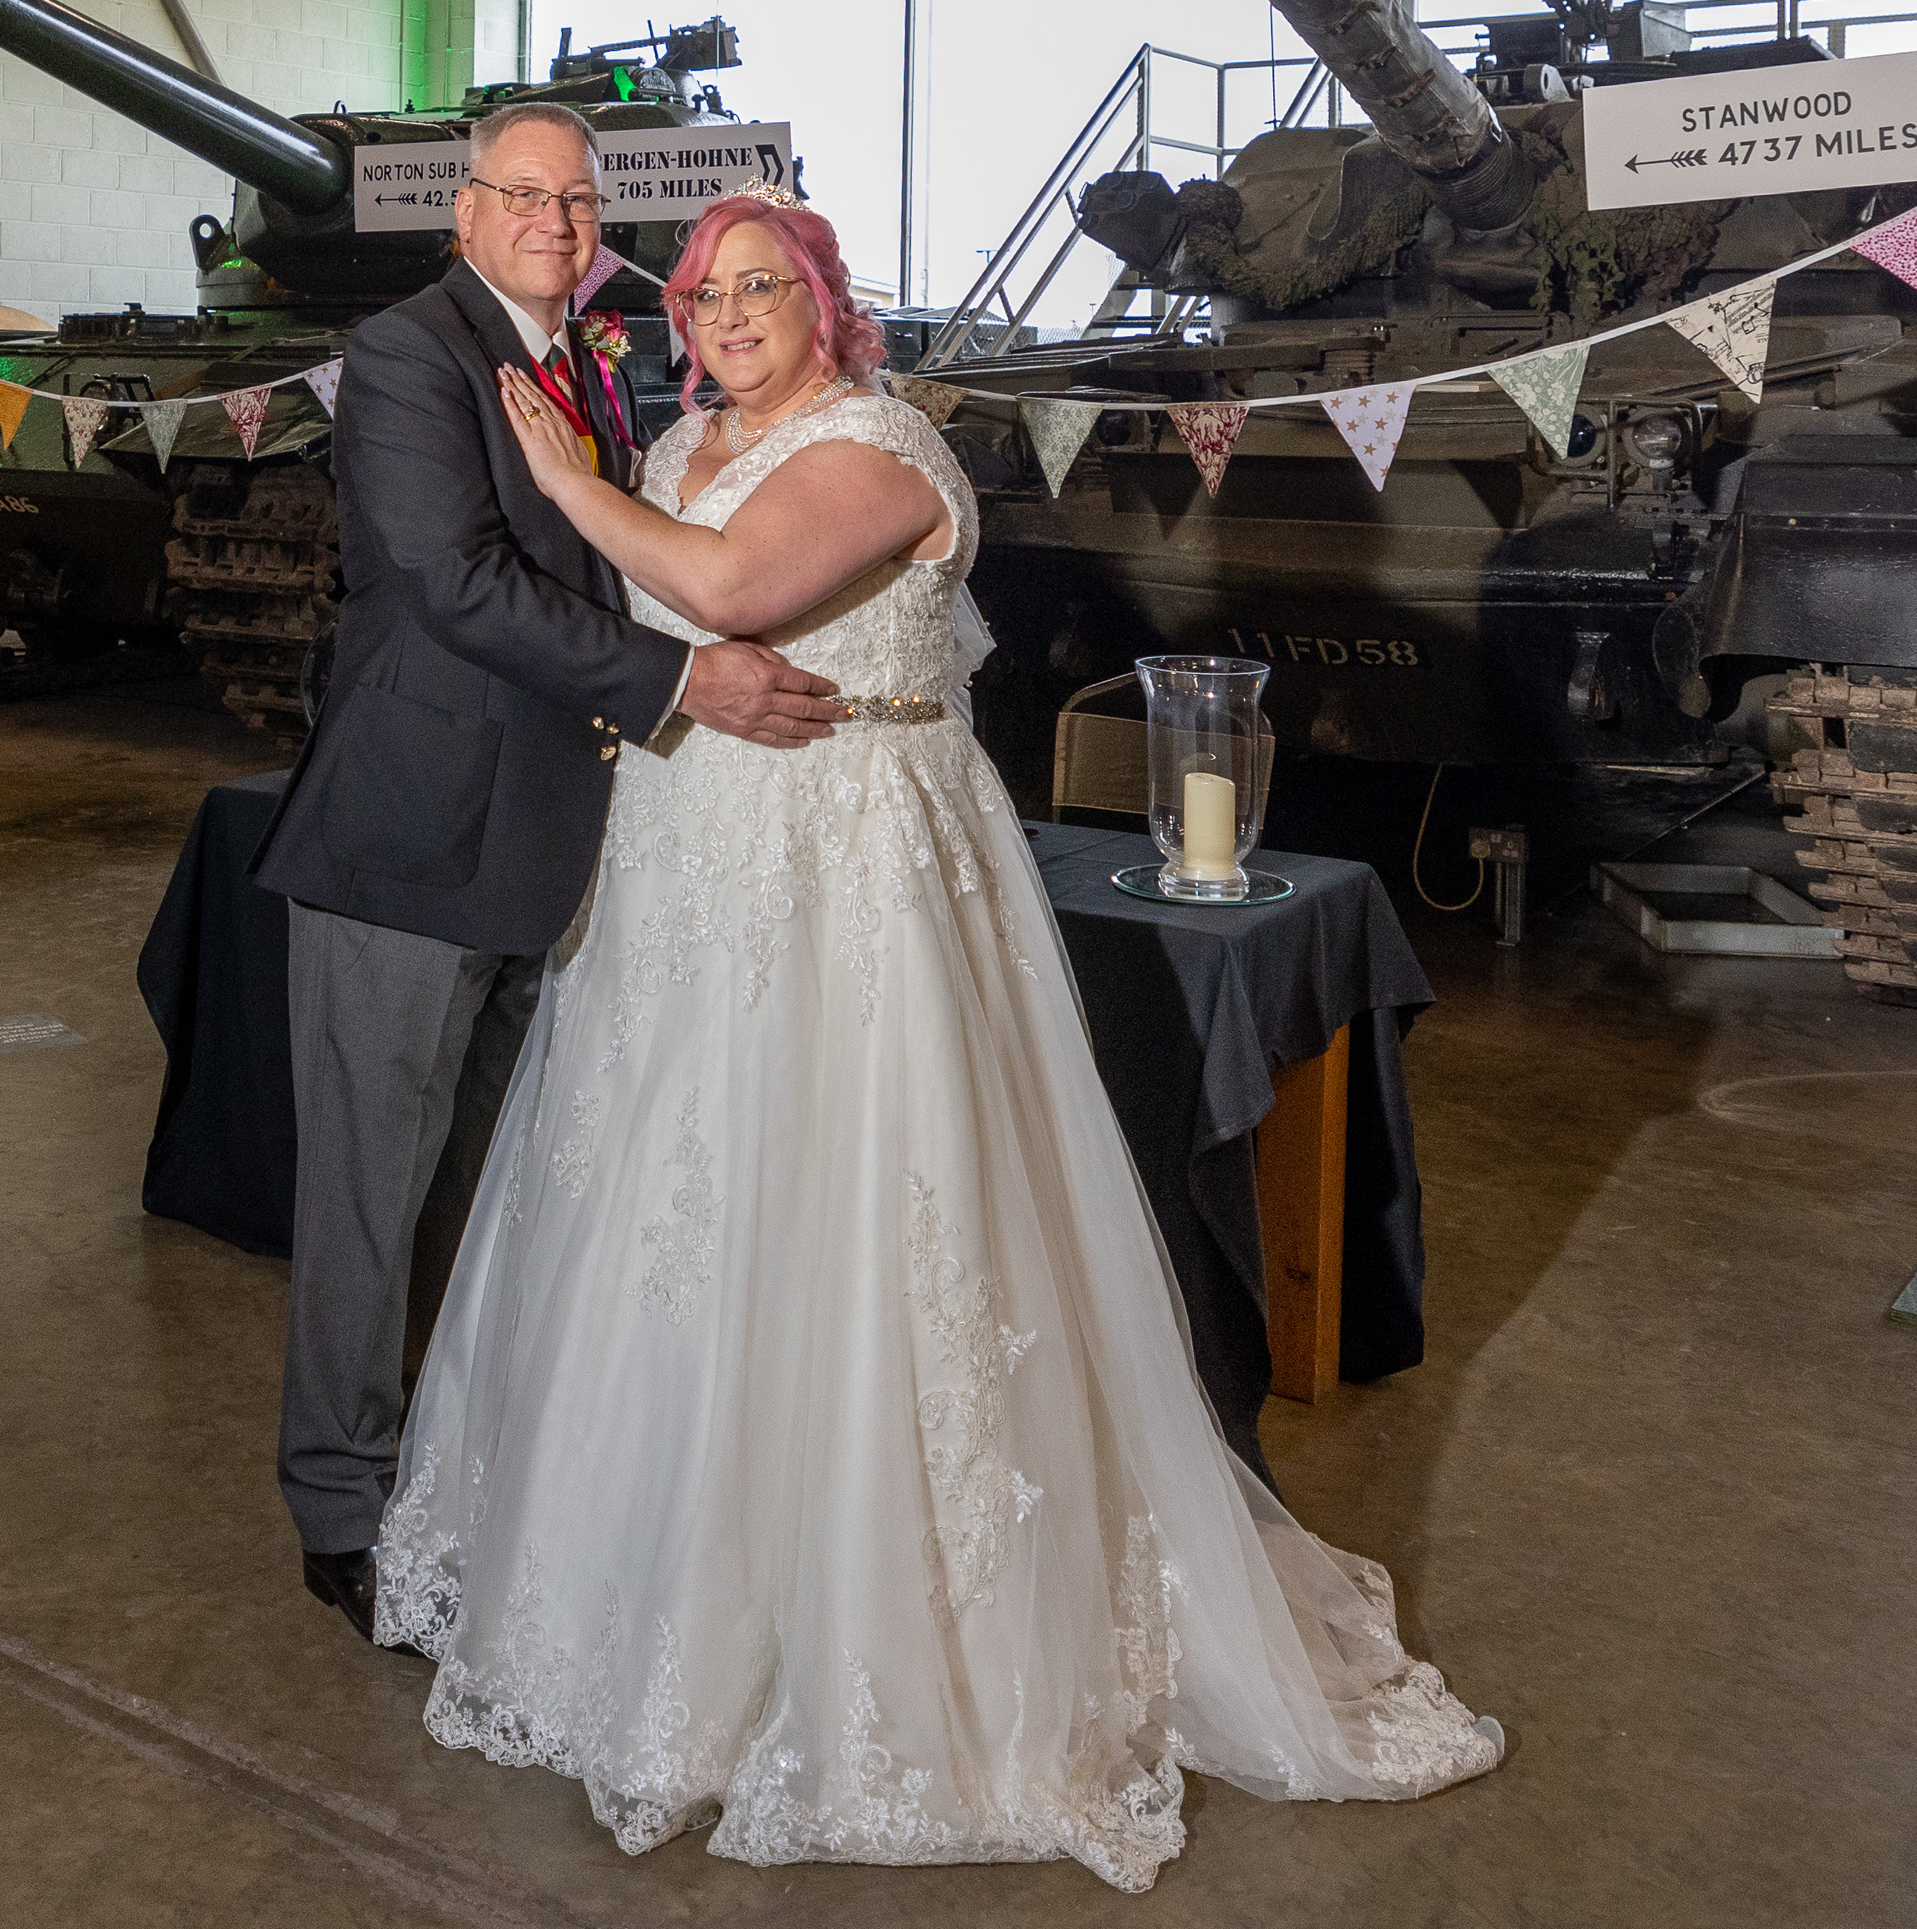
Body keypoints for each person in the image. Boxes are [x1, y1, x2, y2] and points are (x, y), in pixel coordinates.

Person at [377, 191, 1503, 1886]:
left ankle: (887, 1629)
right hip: (691, 864)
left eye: (767, 286)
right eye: (706, 291)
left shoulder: (885, 444)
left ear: (828, 307)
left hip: (852, 863)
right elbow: (651, 625)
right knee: (672, 1207)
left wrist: (551, 479)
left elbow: (733, 583)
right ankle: (660, 1604)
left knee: (862, 1204)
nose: (734, 312)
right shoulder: (679, 441)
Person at [255, 103, 843, 1644]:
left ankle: (455, 1474)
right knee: (370, 1202)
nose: (558, 222)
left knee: (486, 1192)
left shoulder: (591, 358)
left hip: (543, 843)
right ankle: (342, 1511)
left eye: (579, 202)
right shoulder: (409, 354)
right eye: (525, 195)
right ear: (464, 208)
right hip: (404, 838)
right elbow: (455, 583)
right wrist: (675, 682)